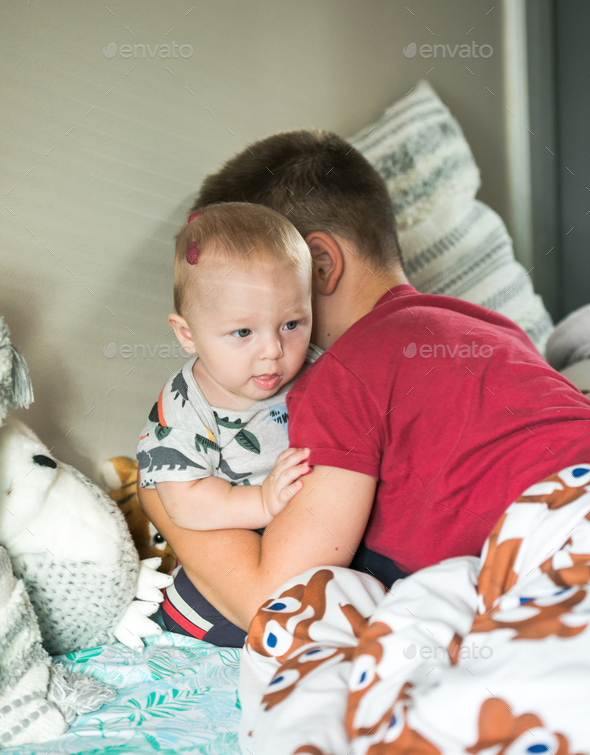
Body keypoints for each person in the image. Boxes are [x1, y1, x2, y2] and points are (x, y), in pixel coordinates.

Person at [139, 129, 590, 642]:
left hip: (557, 546)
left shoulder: (344, 373)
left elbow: (282, 602)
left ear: (320, 265)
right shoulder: (495, 330)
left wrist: (161, 494)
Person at [137, 202, 320, 646]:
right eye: (243, 333)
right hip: (229, 541)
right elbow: (184, 504)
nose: (273, 350)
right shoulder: (183, 410)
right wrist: (261, 502)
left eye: (292, 324)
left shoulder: (316, 370)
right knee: (203, 611)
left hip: (308, 537)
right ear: (187, 334)